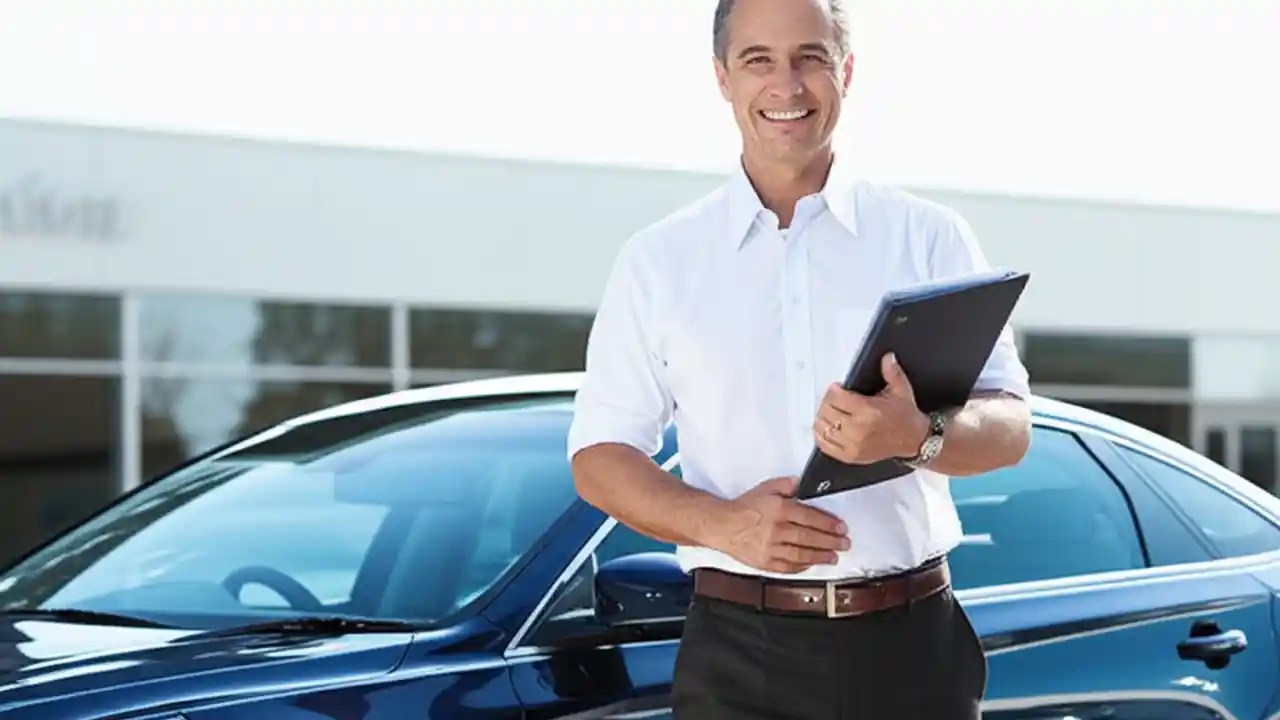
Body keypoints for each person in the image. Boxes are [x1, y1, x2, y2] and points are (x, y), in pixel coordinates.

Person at [566, 0, 1032, 717]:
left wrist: (916, 435)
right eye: (758, 60)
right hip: (737, 658)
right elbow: (599, 455)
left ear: (846, 71)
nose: (786, 85)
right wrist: (724, 525)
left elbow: (1010, 427)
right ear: (722, 77)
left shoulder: (928, 238)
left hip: (913, 654)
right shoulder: (658, 263)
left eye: (810, 57)